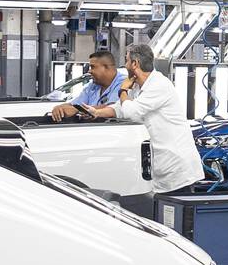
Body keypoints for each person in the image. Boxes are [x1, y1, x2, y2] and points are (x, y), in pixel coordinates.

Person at [80, 43, 203, 195]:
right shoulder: (138, 86)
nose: (124, 65)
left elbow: (131, 112)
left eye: (126, 60)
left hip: (177, 168)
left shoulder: (159, 85)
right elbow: (120, 108)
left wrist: (123, 90)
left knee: (174, 216)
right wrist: (96, 112)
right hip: (161, 166)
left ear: (135, 63)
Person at [51, 50, 125, 122]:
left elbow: (114, 107)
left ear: (107, 67)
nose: (89, 71)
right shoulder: (93, 86)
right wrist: (59, 108)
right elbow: (75, 104)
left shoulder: (124, 83)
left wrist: (77, 110)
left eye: (92, 67)